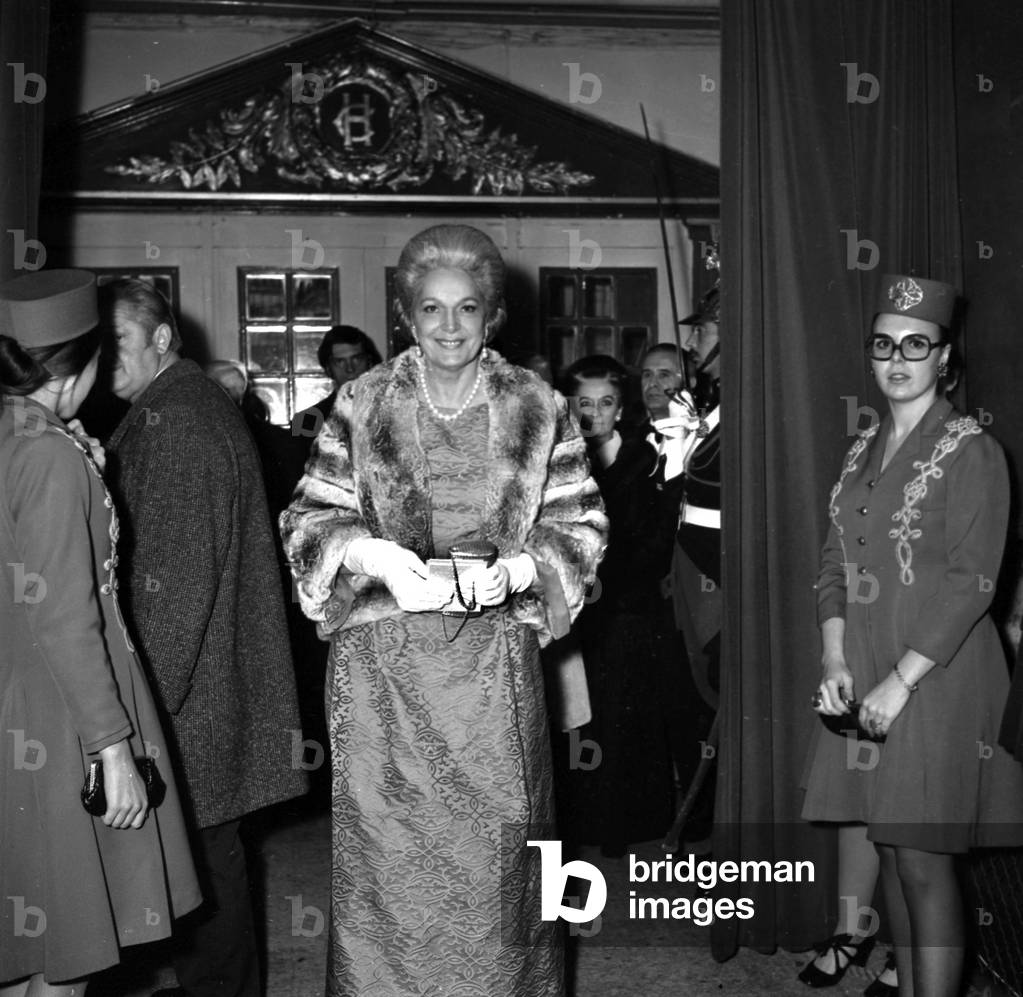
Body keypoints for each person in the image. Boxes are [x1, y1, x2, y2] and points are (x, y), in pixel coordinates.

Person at [280, 224, 606, 996]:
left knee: (496, 856)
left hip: (492, 673)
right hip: (383, 672)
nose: (449, 327)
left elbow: (581, 521)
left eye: (467, 309)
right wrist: (368, 555)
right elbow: (308, 516)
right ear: (406, 314)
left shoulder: (537, 403)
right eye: (432, 310)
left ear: (491, 313)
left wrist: (525, 567)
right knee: (389, 860)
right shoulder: (362, 403)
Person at [802, 274, 1023, 997]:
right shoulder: (861, 448)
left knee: (923, 861)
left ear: (944, 356)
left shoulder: (971, 450)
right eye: (884, 345)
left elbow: (972, 582)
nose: (897, 358)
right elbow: (832, 559)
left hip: (936, 675)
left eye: (915, 344)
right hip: (865, 666)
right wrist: (834, 656)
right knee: (891, 850)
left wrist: (899, 682)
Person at [100, 278, 308, 997]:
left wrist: (127, 717)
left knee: (207, 879)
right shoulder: (176, 407)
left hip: (192, 704)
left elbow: (174, 592)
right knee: (205, 874)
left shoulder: (179, 423)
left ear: (160, 339)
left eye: (116, 340)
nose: (101, 358)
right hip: (211, 693)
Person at [0, 270, 201, 996]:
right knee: (73, 948)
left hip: (14, 703)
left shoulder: (23, 434)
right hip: (61, 719)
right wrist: (110, 748)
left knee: (26, 940)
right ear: (79, 365)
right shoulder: (49, 455)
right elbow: (65, 615)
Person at [559, 354, 684, 854]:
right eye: (583, 404)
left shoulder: (644, 457)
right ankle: (581, 824)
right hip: (573, 609)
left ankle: (629, 825)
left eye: (606, 403)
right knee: (576, 719)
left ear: (621, 407)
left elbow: (656, 540)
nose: (594, 415)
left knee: (625, 718)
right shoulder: (558, 459)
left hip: (629, 607)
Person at [290, 325, 381, 457]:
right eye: (340, 362)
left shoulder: (395, 412)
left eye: (356, 358)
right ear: (328, 369)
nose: (350, 368)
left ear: (369, 362)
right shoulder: (306, 422)